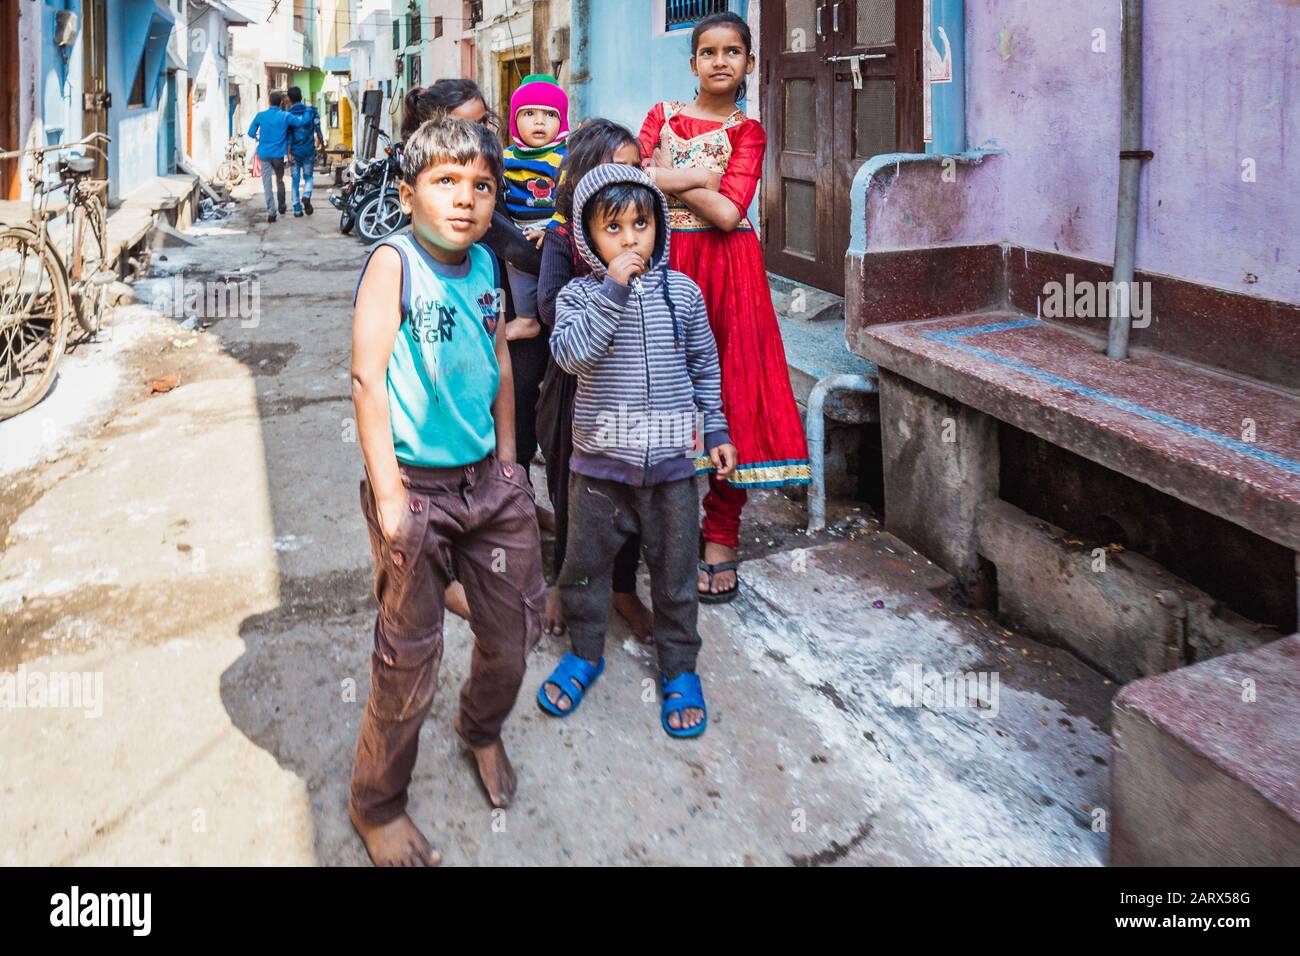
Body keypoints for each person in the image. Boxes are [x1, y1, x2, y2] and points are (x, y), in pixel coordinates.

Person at [348, 116, 546, 866]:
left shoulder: (488, 267)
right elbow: (368, 379)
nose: (465, 200)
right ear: (407, 194)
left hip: (486, 486)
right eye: (445, 182)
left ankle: (481, 728)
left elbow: (496, 356)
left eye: (481, 186)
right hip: (416, 490)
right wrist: (392, 499)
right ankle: (377, 802)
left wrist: (508, 463)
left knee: (514, 630)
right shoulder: (393, 264)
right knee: (410, 657)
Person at [540, 163, 736, 738]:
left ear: (658, 227)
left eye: (641, 224)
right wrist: (612, 292)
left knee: (675, 575)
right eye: (614, 228)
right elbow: (573, 356)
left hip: (673, 469)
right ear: (587, 238)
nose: (630, 240)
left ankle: (678, 669)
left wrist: (717, 429)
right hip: (599, 468)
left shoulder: (683, 294)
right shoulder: (580, 297)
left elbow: (705, 366)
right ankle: (584, 652)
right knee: (584, 570)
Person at [639, 12, 810, 603]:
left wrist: (668, 176)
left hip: (729, 272)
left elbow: (729, 215)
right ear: (692, 63)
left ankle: (720, 534)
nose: (719, 61)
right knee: (661, 384)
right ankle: (663, 522)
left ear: (749, 64)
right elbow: (632, 181)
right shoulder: (659, 117)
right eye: (707, 51)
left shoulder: (750, 132)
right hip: (663, 265)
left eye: (732, 52)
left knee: (728, 392)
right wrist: (700, 176)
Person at [398, 80, 552, 623]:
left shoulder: (492, 179)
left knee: (512, 417)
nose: (485, 131)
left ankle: (515, 506)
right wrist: (566, 255)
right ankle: (454, 575)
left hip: (500, 318)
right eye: (472, 121)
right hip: (470, 344)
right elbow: (509, 241)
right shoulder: (431, 226)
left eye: (488, 120)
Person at [535, 119, 652, 641]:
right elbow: (547, 306)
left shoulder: (647, 232)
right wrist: (608, 291)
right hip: (572, 390)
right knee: (573, 491)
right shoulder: (564, 234)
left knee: (628, 489)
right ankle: (566, 583)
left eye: (634, 167)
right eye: (615, 167)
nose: (627, 178)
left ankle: (623, 589)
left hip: (631, 386)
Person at [499, 74, 569, 339]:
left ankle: (555, 339)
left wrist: (551, 231)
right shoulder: (505, 156)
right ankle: (527, 319)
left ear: (562, 121)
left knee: (554, 282)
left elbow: (566, 199)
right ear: (515, 119)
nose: (539, 121)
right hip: (517, 227)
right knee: (514, 263)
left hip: (551, 227)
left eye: (550, 115)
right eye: (529, 113)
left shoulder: (562, 158)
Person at [247, 91, 310, 223]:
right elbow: (301, 122)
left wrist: (260, 137)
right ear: (281, 103)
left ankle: (271, 212)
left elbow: (251, 133)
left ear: (269, 102)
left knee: (267, 183)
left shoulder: (260, 115)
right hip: (278, 155)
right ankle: (282, 205)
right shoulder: (285, 116)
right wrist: (309, 111)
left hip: (264, 154)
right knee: (280, 181)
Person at [284, 86, 325, 217]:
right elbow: (318, 130)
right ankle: (306, 195)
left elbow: (288, 135)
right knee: (308, 177)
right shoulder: (311, 112)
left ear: (289, 99)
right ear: (301, 97)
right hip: (308, 151)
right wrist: (322, 146)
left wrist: (288, 153)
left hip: (295, 152)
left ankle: (297, 209)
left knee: (295, 180)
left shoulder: (288, 115)